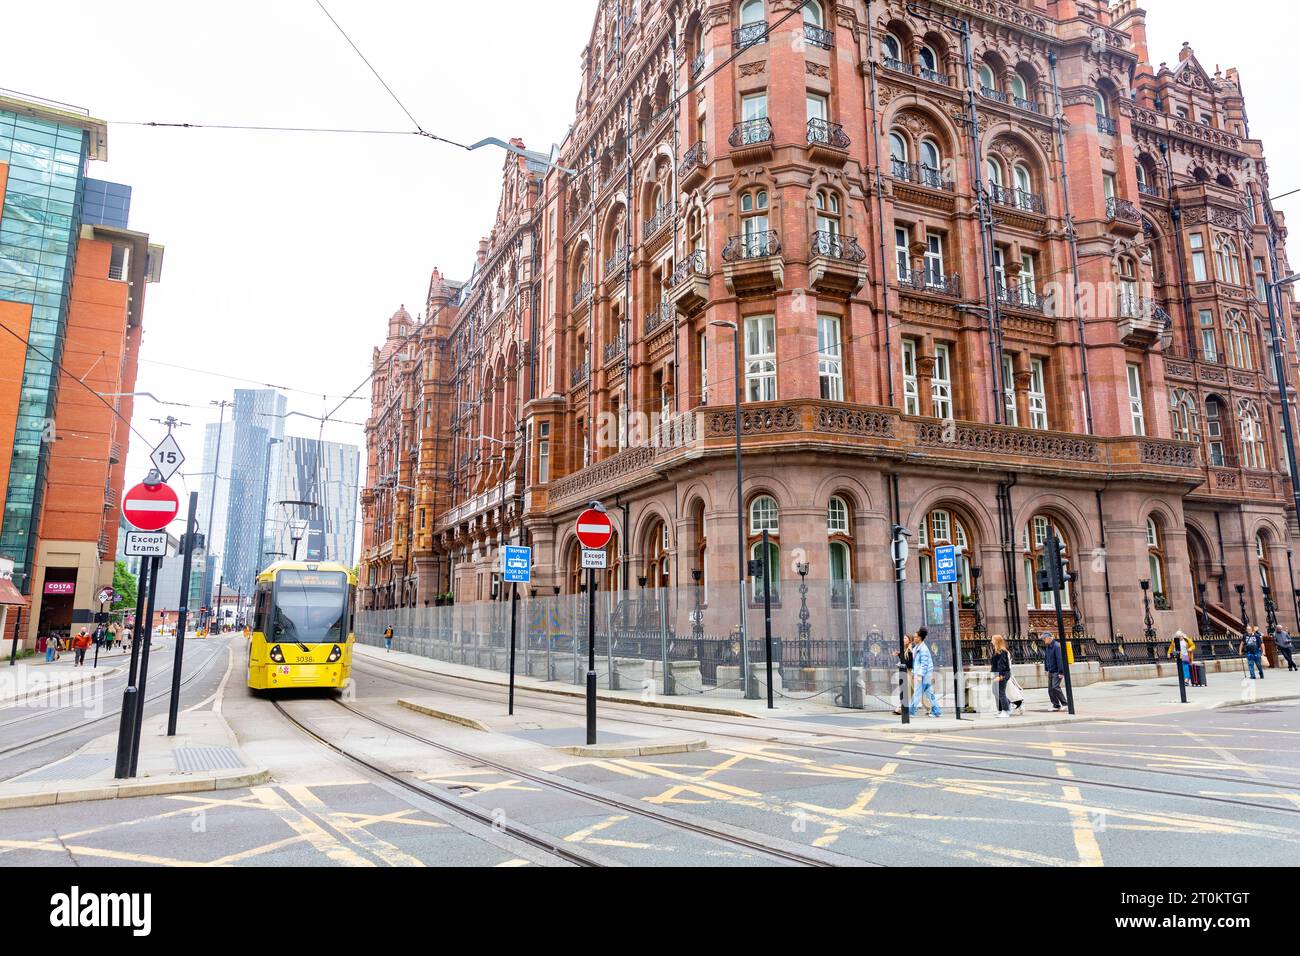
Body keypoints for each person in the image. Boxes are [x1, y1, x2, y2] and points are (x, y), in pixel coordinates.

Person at [909, 631, 942, 718]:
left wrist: (920, 675)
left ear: (919, 638)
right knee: (929, 693)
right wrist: (913, 672)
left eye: (915, 637)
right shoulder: (917, 647)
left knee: (917, 692)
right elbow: (916, 662)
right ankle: (937, 711)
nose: (914, 638)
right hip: (923, 674)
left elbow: (924, 664)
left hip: (924, 675)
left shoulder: (923, 649)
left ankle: (910, 711)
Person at [1042, 631, 1068, 711]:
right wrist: (1046, 669)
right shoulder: (1048, 646)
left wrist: (1061, 672)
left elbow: (1059, 660)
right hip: (1051, 670)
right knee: (1050, 689)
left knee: (1055, 687)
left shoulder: (1056, 646)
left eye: (1044, 638)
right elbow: (1046, 659)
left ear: (1049, 638)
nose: (1043, 640)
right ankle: (1056, 705)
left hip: (1057, 671)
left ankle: (1065, 703)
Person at [991, 634, 1012, 718]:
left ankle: (1005, 711)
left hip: (1002, 674)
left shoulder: (1002, 651)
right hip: (997, 674)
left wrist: (999, 676)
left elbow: (1002, 666)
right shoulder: (997, 650)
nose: (991, 641)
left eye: (992, 640)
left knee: (1000, 692)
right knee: (995, 691)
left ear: (996, 641)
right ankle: (1007, 705)